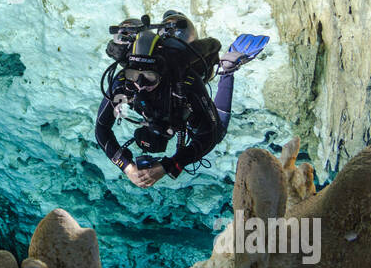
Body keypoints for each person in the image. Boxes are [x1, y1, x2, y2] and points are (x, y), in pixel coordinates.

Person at [95, 11, 269, 188]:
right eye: (134, 75)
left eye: (149, 77)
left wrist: (168, 166)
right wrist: (127, 167)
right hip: (157, 113)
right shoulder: (123, 82)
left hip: (180, 103)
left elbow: (211, 133)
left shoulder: (185, 83)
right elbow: (102, 127)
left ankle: (227, 70)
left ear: (161, 75)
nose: (140, 84)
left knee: (220, 131)